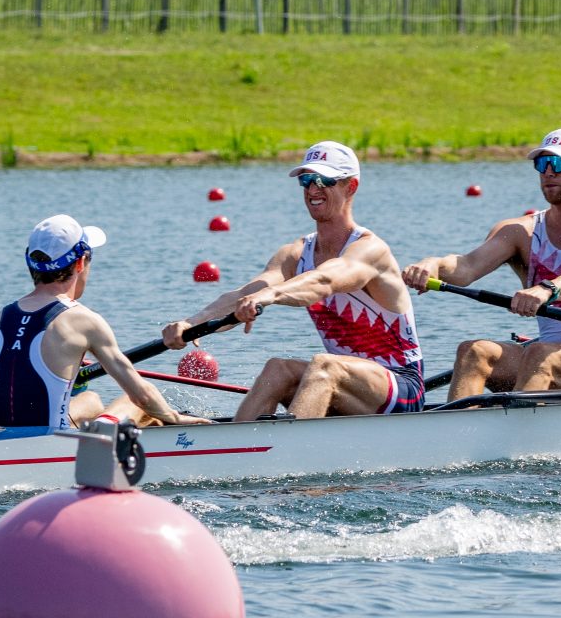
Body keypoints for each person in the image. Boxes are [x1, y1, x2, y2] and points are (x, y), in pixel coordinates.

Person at [162, 140, 425, 419]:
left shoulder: (371, 251)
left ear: (351, 187)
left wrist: (271, 296)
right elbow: (245, 294)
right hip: (348, 385)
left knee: (325, 366)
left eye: (324, 181)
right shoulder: (294, 254)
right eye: (306, 180)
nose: (313, 190)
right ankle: (235, 442)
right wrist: (192, 323)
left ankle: (288, 443)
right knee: (278, 369)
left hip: (402, 387)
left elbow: (324, 281)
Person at [404, 127, 561, 398]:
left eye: (559, 163)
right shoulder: (520, 232)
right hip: (543, 358)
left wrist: (546, 289)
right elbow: (466, 267)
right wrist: (434, 264)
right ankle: (460, 423)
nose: (548, 172)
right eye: (541, 164)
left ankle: (515, 423)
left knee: (540, 354)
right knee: (475, 352)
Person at [0, 214, 201, 431]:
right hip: (49, 443)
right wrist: (175, 417)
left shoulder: (1, 317)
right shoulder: (83, 320)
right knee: (134, 401)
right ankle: (101, 432)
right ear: (80, 263)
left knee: (91, 400)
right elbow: (142, 397)